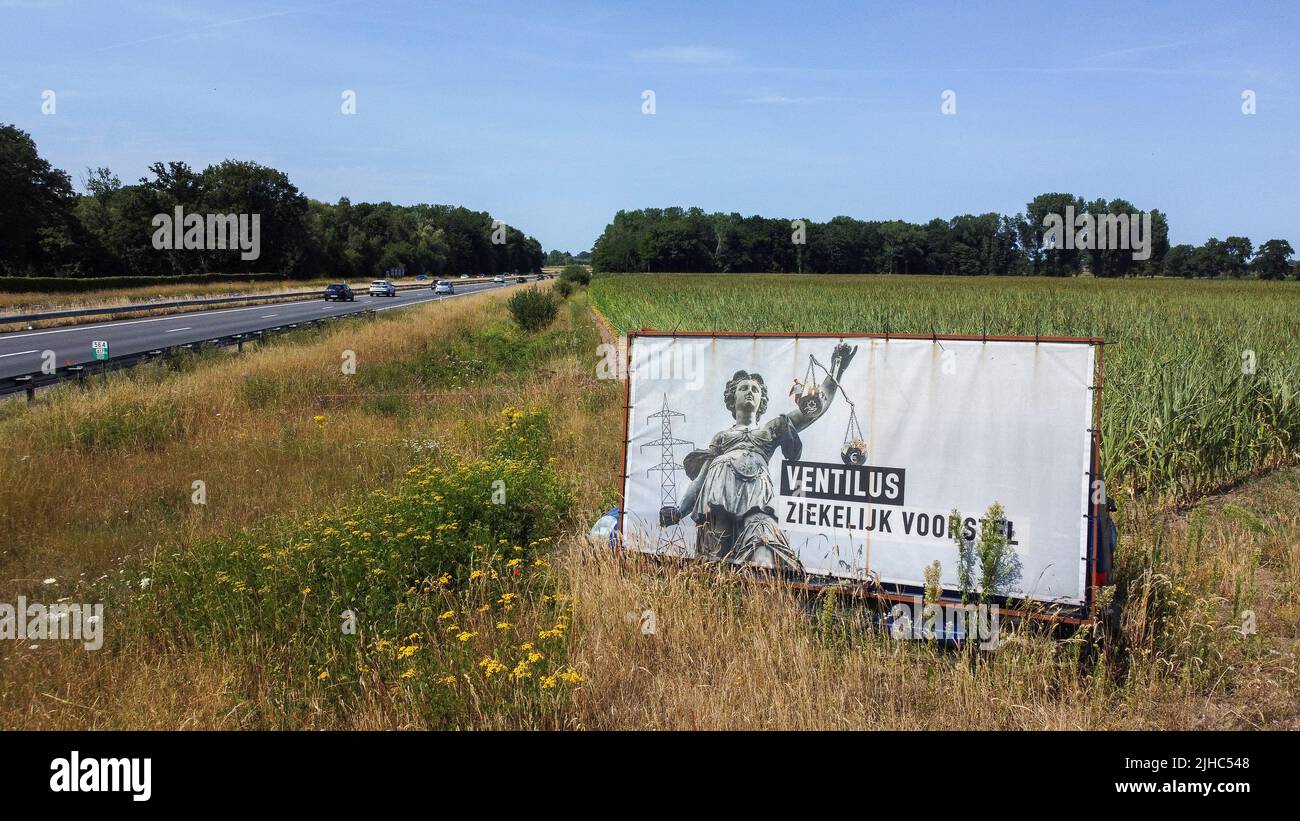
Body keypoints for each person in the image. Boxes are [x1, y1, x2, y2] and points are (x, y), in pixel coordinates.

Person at [660, 342, 857, 571]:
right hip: (717, 496)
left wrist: (836, 370)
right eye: (744, 388)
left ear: (762, 400)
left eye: (755, 389)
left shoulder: (772, 429)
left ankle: (766, 600)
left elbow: (812, 411)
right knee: (714, 564)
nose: (750, 392)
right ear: (732, 399)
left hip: (757, 498)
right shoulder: (722, 437)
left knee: (764, 549)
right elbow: (700, 480)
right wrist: (679, 511)